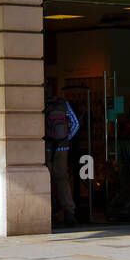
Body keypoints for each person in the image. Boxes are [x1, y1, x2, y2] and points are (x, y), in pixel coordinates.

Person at [45, 89, 80, 227]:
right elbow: (76, 124)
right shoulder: (63, 104)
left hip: (46, 147)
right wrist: (65, 139)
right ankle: (68, 212)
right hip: (62, 148)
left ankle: (51, 211)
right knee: (62, 179)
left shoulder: (41, 105)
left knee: (46, 179)